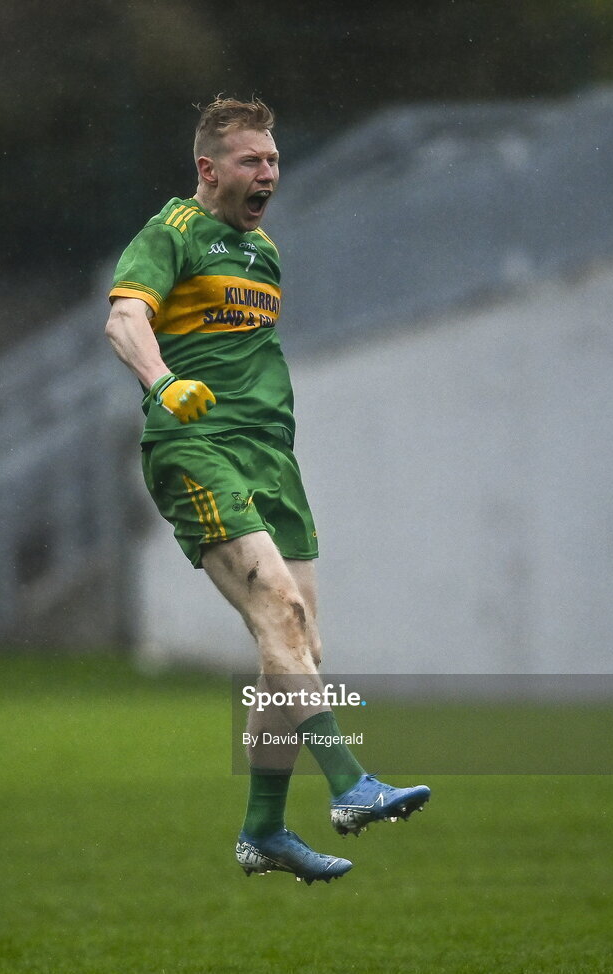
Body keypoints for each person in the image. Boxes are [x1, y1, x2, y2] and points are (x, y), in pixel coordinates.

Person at [105, 95, 430, 885]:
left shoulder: (264, 252)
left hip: (271, 463)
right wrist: (160, 384)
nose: (268, 174)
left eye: (274, 160)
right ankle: (350, 785)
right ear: (208, 169)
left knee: (296, 647)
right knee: (279, 613)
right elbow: (122, 320)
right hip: (197, 446)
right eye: (252, 161)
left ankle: (262, 831)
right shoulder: (170, 233)